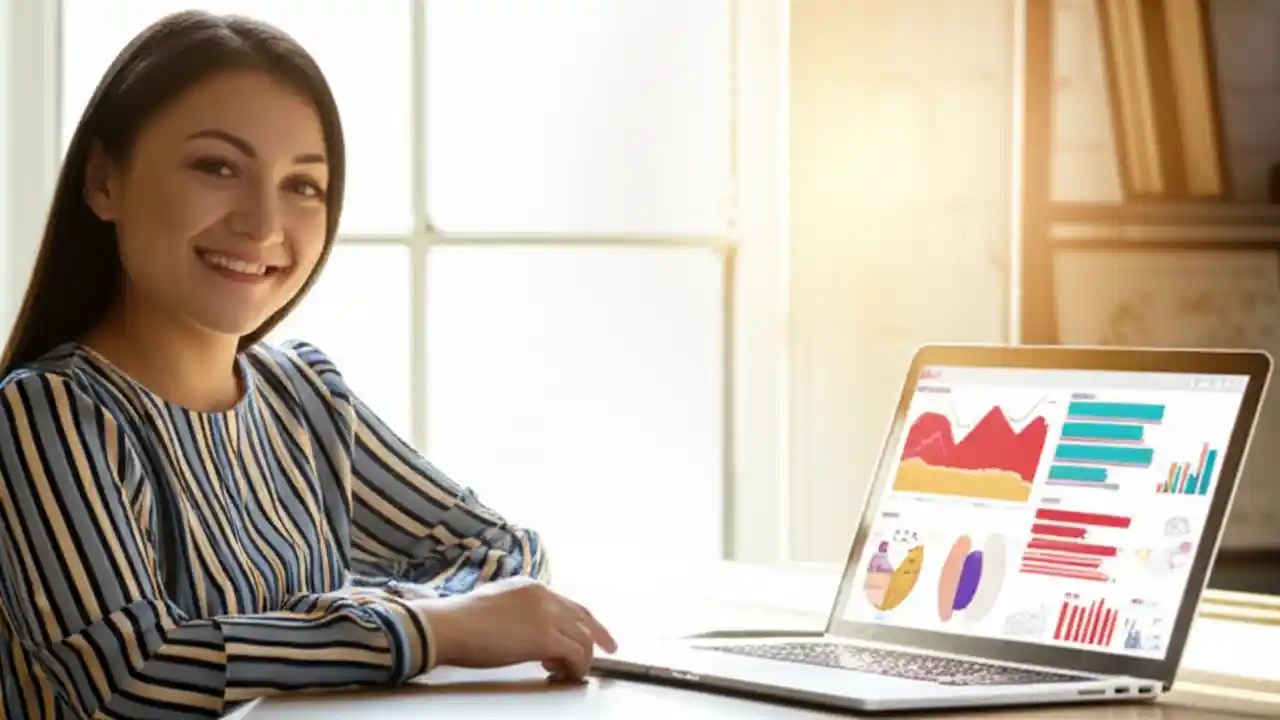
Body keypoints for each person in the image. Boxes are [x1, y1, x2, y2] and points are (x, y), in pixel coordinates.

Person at [0, 11, 615, 719]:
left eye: (303, 185)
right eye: (218, 167)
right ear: (104, 181)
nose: (263, 224)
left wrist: (396, 621)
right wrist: (428, 629)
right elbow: (131, 674)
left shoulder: (304, 396)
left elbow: (498, 552)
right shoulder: (47, 413)